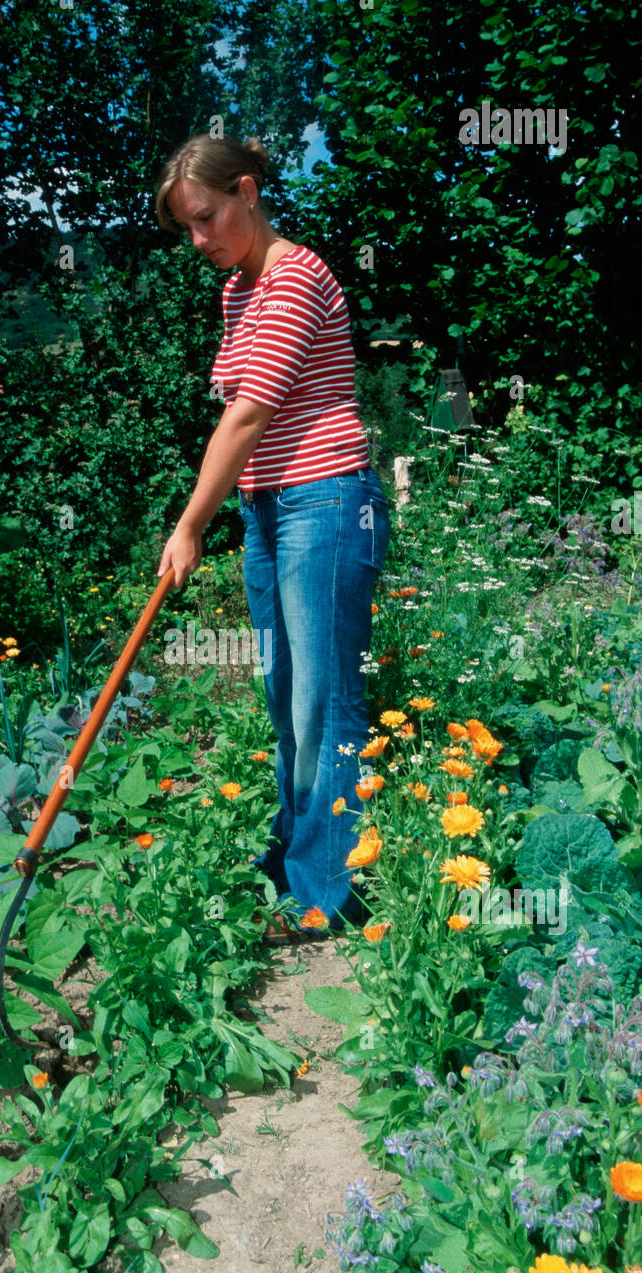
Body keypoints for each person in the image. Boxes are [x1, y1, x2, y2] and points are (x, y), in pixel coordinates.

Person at [154, 132, 391, 942]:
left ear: (247, 191)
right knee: (284, 696)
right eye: (188, 227)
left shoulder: (296, 275)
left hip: (324, 506)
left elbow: (247, 413)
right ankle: (296, 857)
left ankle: (326, 894)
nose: (200, 239)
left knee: (323, 702)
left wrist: (188, 525)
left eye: (207, 217)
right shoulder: (237, 290)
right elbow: (241, 411)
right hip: (267, 512)